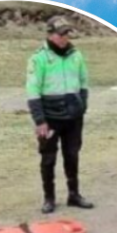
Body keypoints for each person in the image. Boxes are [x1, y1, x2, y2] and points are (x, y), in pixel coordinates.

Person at [26, 15, 94, 214]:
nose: (65, 37)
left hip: (74, 116)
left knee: (72, 155)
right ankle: (49, 198)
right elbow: (32, 91)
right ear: (50, 34)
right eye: (60, 33)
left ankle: (74, 195)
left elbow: (83, 83)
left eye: (67, 33)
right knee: (48, 158)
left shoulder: (76, 55)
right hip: (50, 117)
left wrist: (82, 106)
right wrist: (40, 121)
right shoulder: (38, 59)